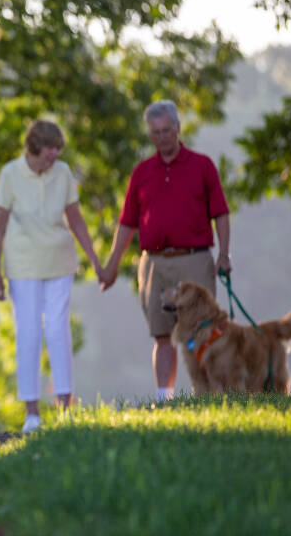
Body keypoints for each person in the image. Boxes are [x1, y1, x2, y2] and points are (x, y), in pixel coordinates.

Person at [99, 100, 231, 401]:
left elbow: (221, 213)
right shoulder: (142, 172)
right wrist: (112, 264)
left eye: (166, 131)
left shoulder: (202, 165)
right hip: (155, 263)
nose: (162, 138)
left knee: (202, 330)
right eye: (155, 133)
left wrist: (224, 255)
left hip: (194, 259)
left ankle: (206, 395)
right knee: (161, 334)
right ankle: (164, 398)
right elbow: (127, 222)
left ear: (178, 128)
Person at [0, 119, 103, 435]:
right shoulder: (10, 174)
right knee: (28, 332)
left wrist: (94, 260)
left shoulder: (63, 173)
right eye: (49, 151)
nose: (54, 157)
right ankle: (32, 414)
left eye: (57, 151)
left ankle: (65, 407)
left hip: (60, 261)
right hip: (23, 263)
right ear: (34, 147)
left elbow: (76, 219)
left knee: (57, 329)